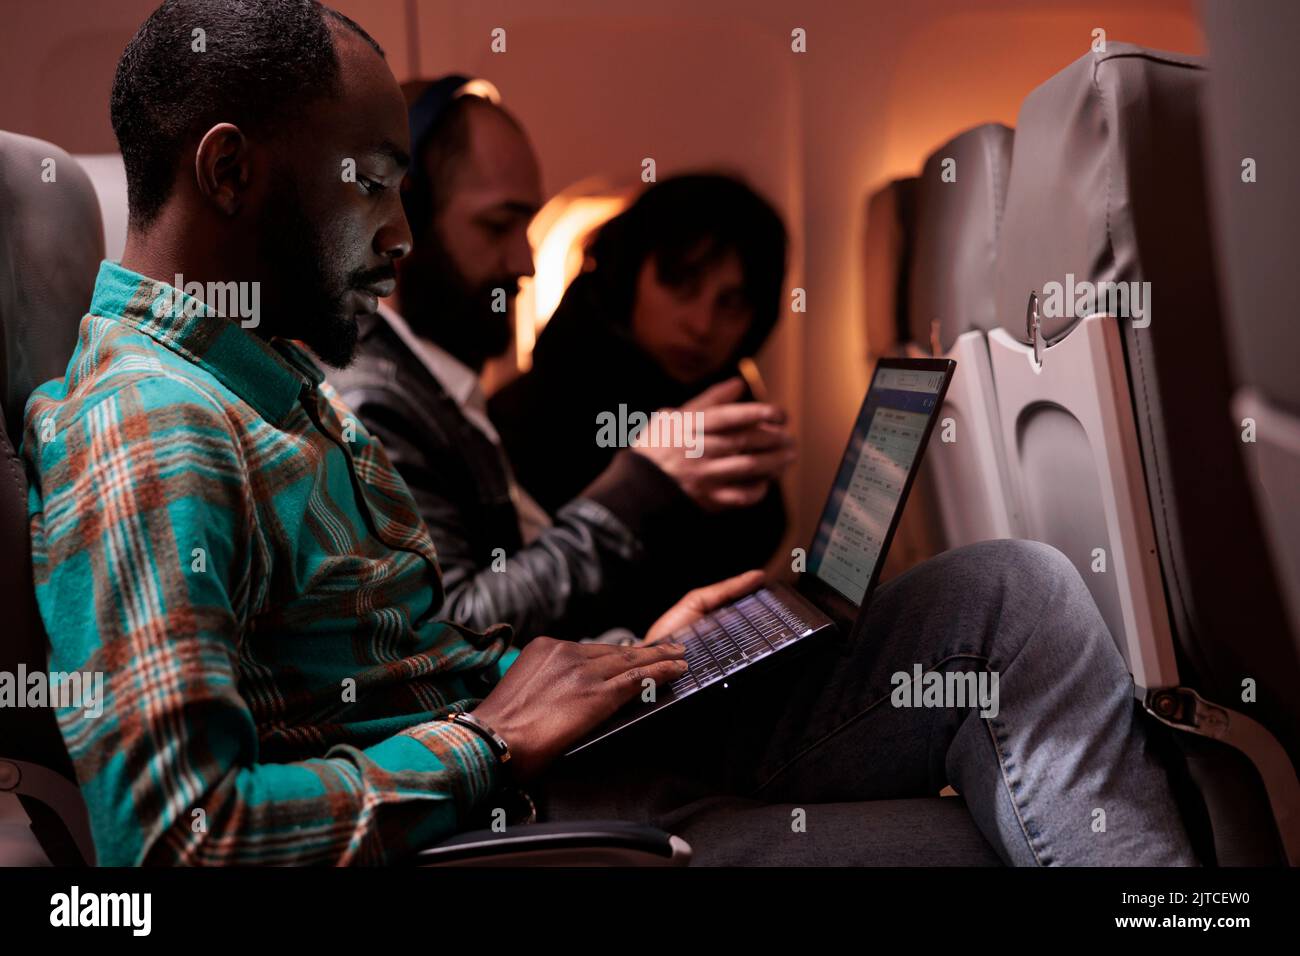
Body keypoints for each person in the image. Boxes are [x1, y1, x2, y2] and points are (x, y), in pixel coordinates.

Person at [22, 0, 1196, 866]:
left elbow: (394, 669)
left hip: (563, 753)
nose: (399, 236)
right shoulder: (151, 423)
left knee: (1006, 598)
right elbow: (175, 844)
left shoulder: (267, 369)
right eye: (372, 185)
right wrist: (489, 741)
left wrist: (633, 654)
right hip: (517, 822)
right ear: (231, 169)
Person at [329, 80, 795, 641]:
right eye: (499, 226)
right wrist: (641, 487)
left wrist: (636, 650)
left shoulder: (444, 389)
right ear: (402, 225)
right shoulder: (375, 401)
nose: (526, 260)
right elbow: (453, 635)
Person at [490, 174, 792, 630]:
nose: (701, 324)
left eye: (731, 303)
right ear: (631, 273)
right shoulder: (530, 411)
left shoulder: (728, 396)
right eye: (681, 284)